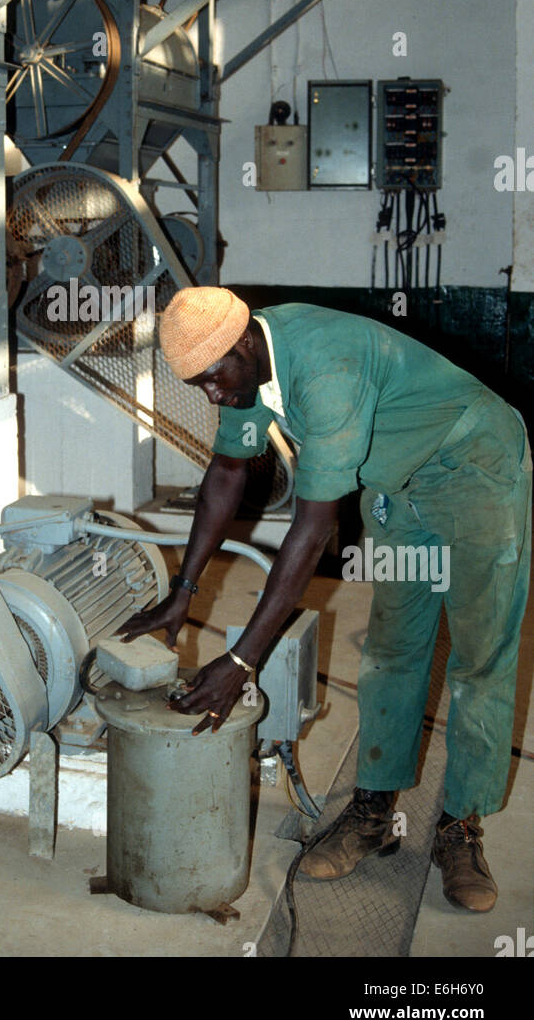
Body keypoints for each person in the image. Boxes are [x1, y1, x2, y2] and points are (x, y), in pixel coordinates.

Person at [117, 287, 531, 912]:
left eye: (211, 378)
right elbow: (227, 475)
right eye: (197, 384)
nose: (212, 394)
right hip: (398, 484)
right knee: (394, 647)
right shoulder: (242, 376)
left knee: (480, 652)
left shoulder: (326, 368)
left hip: (476, 466)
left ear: (246, 342)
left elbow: (310, 537)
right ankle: (372, 811)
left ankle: (460, 826)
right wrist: (182, 592)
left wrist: (242, 662)